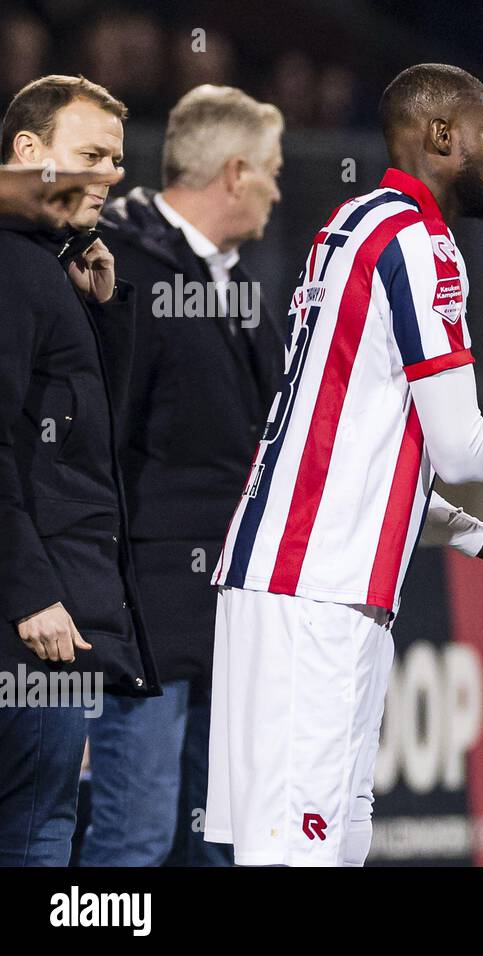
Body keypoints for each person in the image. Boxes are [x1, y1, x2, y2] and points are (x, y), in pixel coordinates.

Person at [204, 63, 483, 867]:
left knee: (327, 846)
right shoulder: (420, 243)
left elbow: (367, 460)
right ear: (442, 136)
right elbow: (459, 445)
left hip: (290, 580)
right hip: (320, 592)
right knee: (298, 856)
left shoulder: (348, 224)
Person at [81, 85, 286, 867]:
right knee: (132, 839)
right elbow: (95, 439)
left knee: (223, 842)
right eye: (268, 170)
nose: (276, 187)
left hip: (229, 621)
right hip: (147, 622)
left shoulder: (231, 285)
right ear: (233, 172)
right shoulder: (121, 266)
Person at [0, 74, 161, 866]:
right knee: (38, 836)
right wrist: (32, 593)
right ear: (29, 152)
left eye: (117, 160)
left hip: (53, 628)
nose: (109, 176)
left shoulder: (48, 269)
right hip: (31, 628)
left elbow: (84, 447)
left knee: (45, 829)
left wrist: (101, 316)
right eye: (91, 155)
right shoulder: (11, 266)